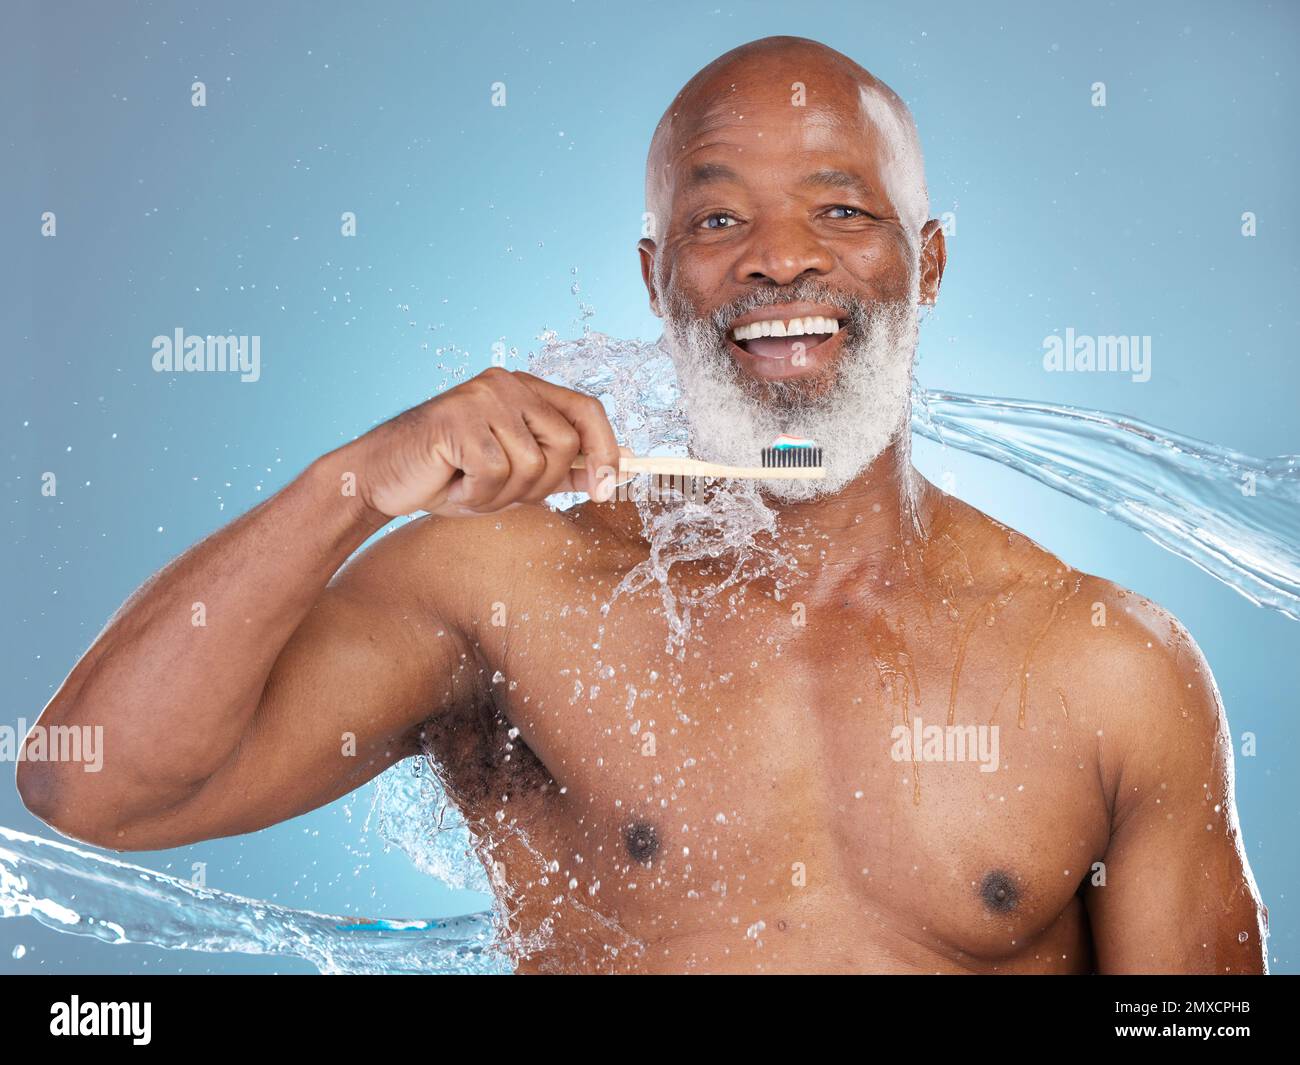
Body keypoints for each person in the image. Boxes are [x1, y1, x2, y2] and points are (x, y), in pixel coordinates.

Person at [17, 36, 1266, 974]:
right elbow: (99, 789)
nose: (781, 257)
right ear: (658, 276)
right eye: (720, 218)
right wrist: (355, 482)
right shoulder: (504, 587)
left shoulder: (1106, 664)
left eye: (840, 208)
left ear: (926, 262)